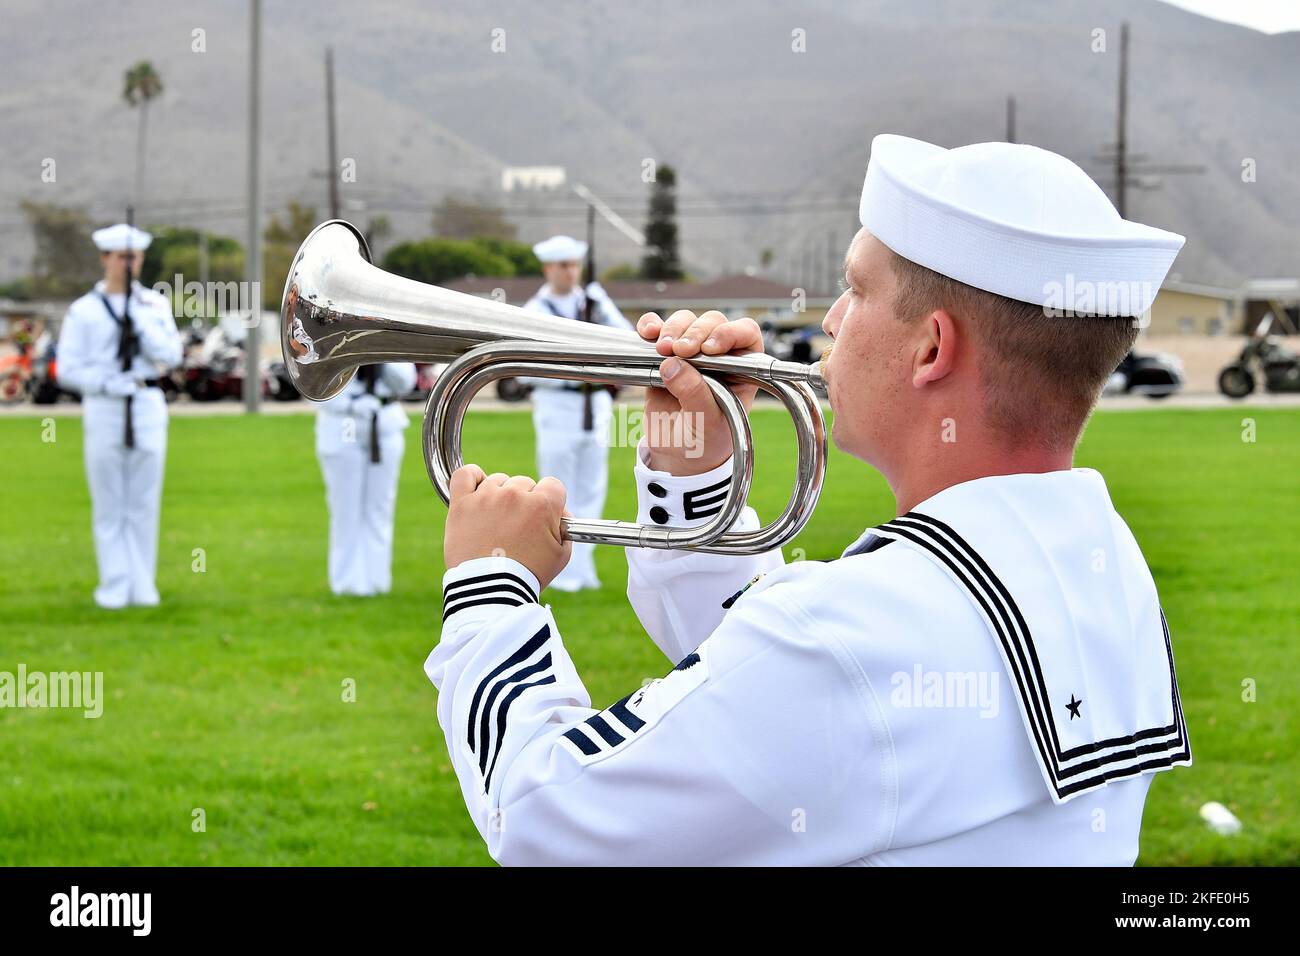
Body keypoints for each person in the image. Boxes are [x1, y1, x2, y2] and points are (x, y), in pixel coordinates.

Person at [424, 135, 1192, 865]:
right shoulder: (1104, 566)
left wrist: (492, 589)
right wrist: (694, 477)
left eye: (857, 289)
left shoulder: (850, 637)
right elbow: (780, 697)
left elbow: (542, 817)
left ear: (932, 347)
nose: (829, 321)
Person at [56, 224, 183, 609]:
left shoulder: (154, 305)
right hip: (106, 406)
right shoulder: (84, 311)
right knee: (110, 502)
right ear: (105, 259)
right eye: (122, 257)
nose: (129, 265)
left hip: (145, 403)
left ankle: (143, 585)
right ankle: (114, 585)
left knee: (144, 502)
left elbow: (172, 354)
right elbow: (67, 369)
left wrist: (142, 325)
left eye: (135, 258)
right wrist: (107, 383)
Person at [521, 234, 633, 592]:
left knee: (591, 492)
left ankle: (584, 572)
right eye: (562, 265)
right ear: (547, 268)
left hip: (595, 406)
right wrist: (573, 372)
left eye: (574, 265)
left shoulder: (593, 304)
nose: (570, 272)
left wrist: (604, 306)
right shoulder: (535, 312)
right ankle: (561, 573)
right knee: (558, 492)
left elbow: (629, 342)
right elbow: (523, 368)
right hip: (559, 406)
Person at [315, 362, 417, 596]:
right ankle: (345, 584)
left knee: (380, 509)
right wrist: (350, 404)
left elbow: (405, 382)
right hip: (343, 424)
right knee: (346, 511)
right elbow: (314, 384)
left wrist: (381, 355)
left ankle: (377, 582)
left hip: (384, 423)